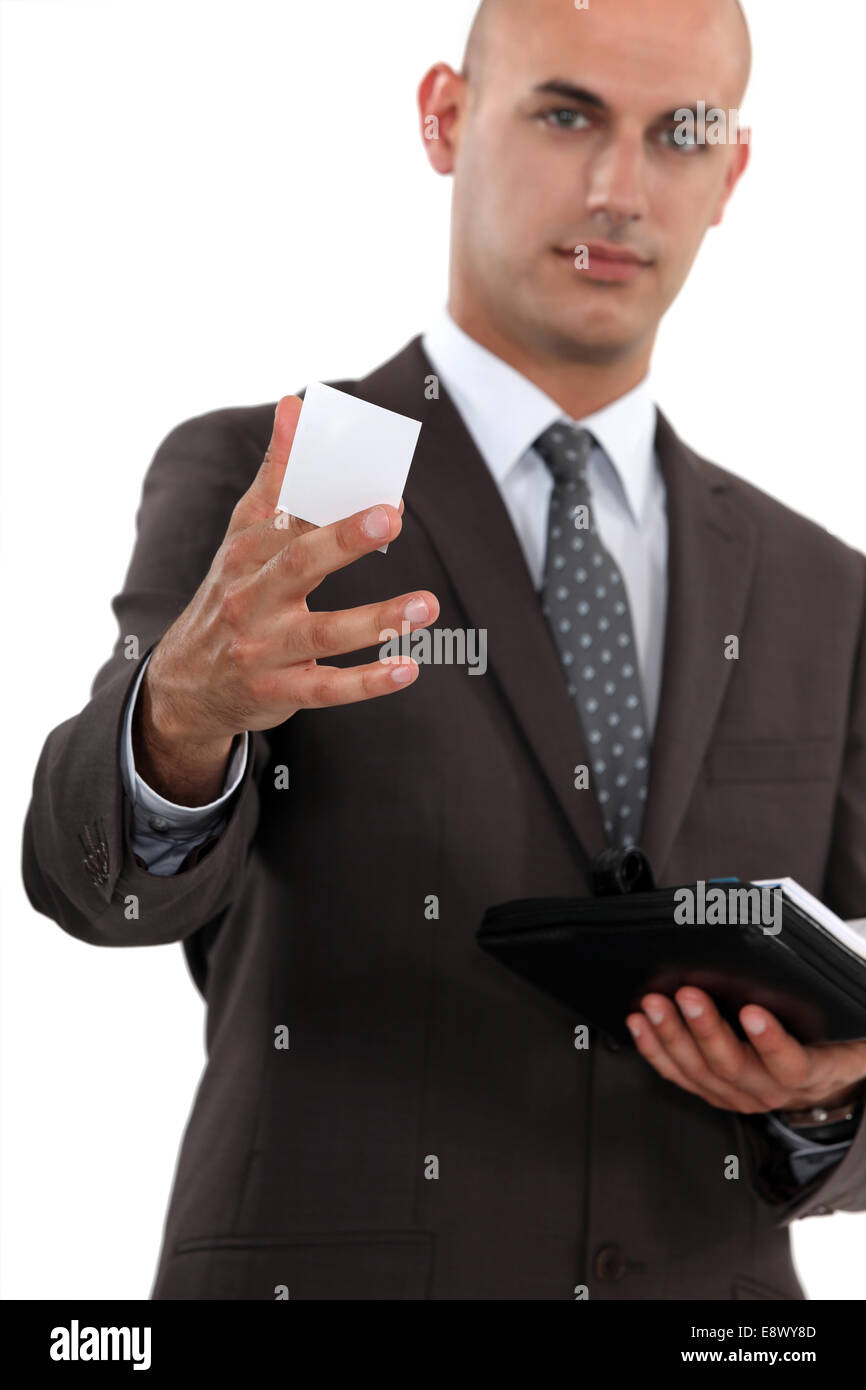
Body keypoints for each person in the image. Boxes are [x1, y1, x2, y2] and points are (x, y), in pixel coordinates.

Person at [22, 0, 866, 1300]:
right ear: (445, 116)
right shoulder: (277, 484)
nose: (617, 186)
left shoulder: (821, 584)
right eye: (566, 111)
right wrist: (177, 722)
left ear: (729, 175)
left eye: (680, 134)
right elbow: (104, 892)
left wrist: (820, 1100)